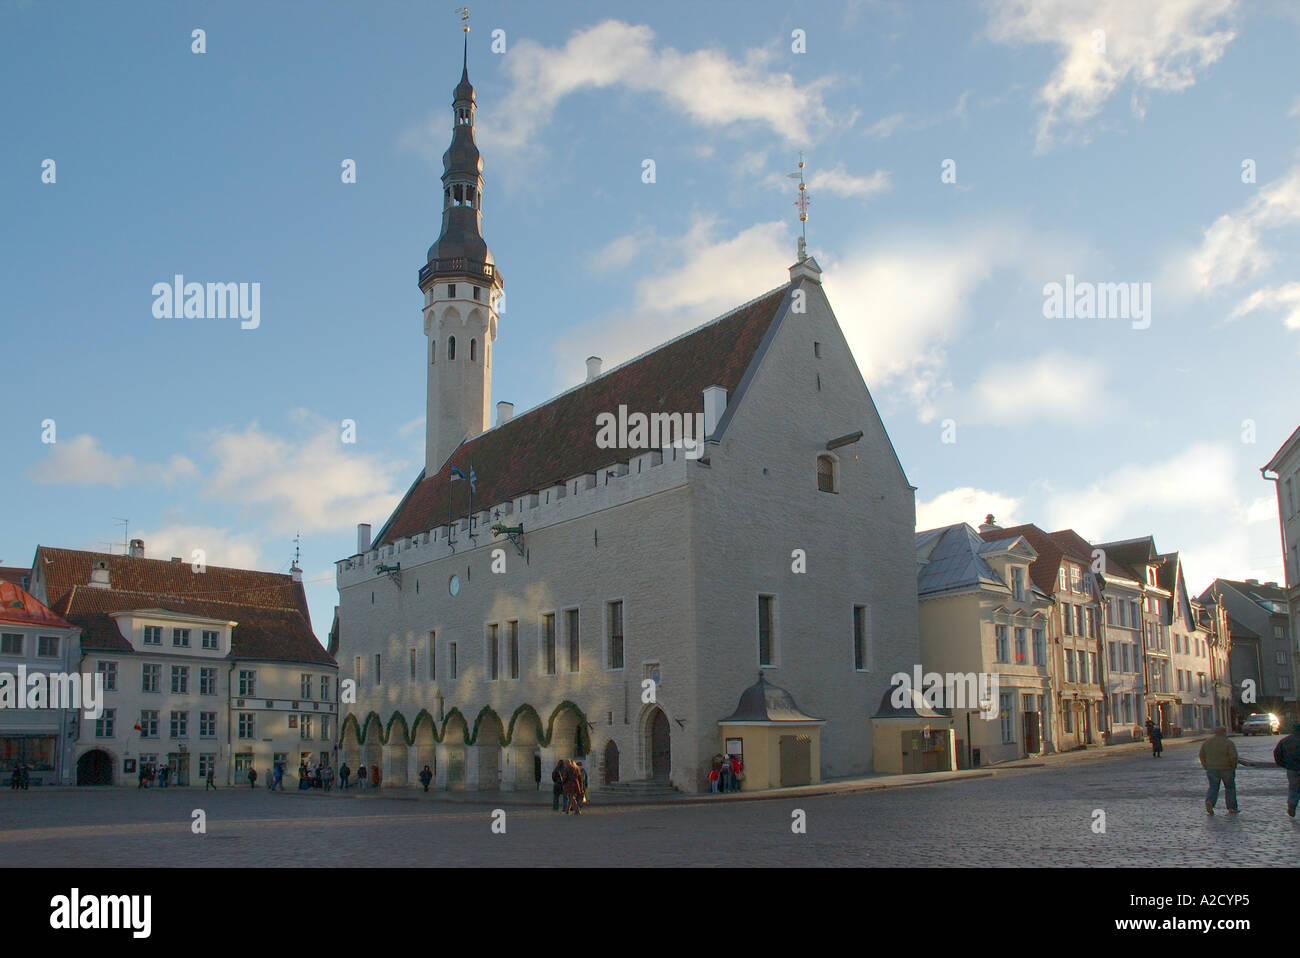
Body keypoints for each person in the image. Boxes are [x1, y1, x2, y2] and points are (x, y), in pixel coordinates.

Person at [1199, 725, 1239, 815]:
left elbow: (1202, 755)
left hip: (1212, 769)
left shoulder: (1207, 742)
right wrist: (1233, 766)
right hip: (1227, 768)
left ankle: (1210, 801)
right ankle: (1232, 808)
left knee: (1213, 787)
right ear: (1224, 732)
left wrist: (1205, 765)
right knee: (1230, 788)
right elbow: (1233, 756)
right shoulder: (1228, 743)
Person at [1273, 720, 1300, 818]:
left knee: (1293, 787)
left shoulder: (1286, 740)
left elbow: (1277, 754)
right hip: (1292, 767)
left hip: (1292, 768)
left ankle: (1292, 804)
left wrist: (1284, 764)